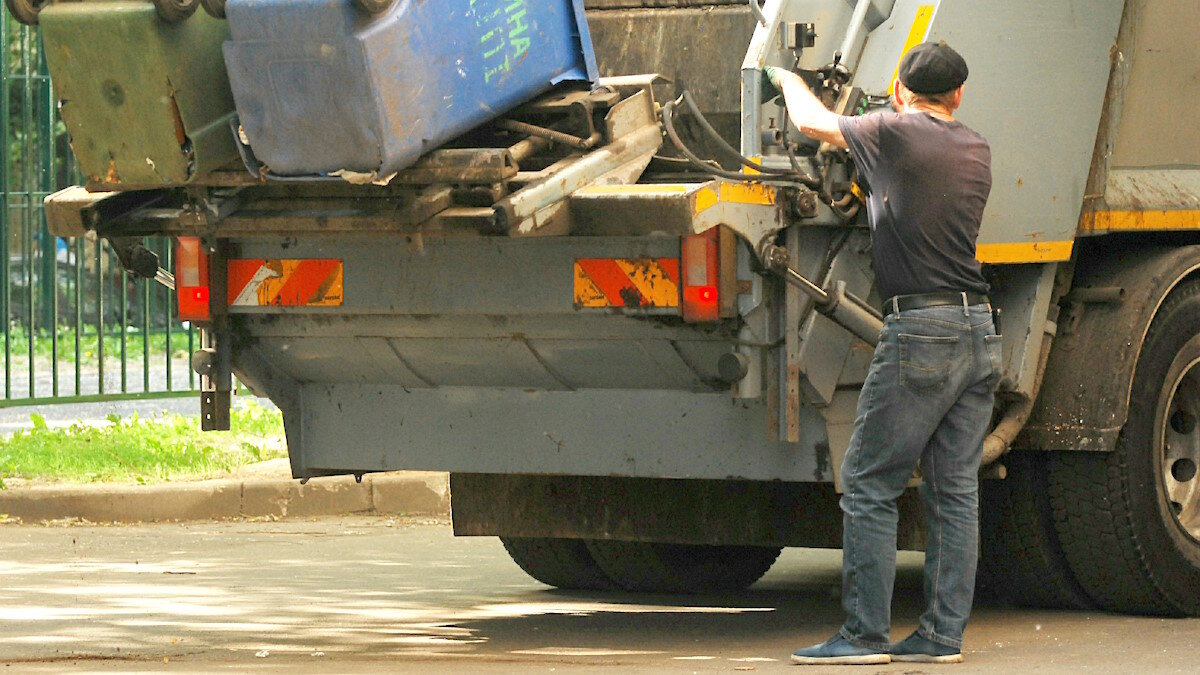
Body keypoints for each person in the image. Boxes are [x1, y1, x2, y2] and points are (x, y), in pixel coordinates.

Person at [763, 42, 998, 665]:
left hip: (920, 331)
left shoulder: (893, 133)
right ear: (959, 94)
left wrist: (784, 77)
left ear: (899, 91)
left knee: (869, 483)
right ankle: (942, 636)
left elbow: (813, 123)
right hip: (978, 331)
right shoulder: (975, 147)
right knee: (954, 490)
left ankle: (863, 636)